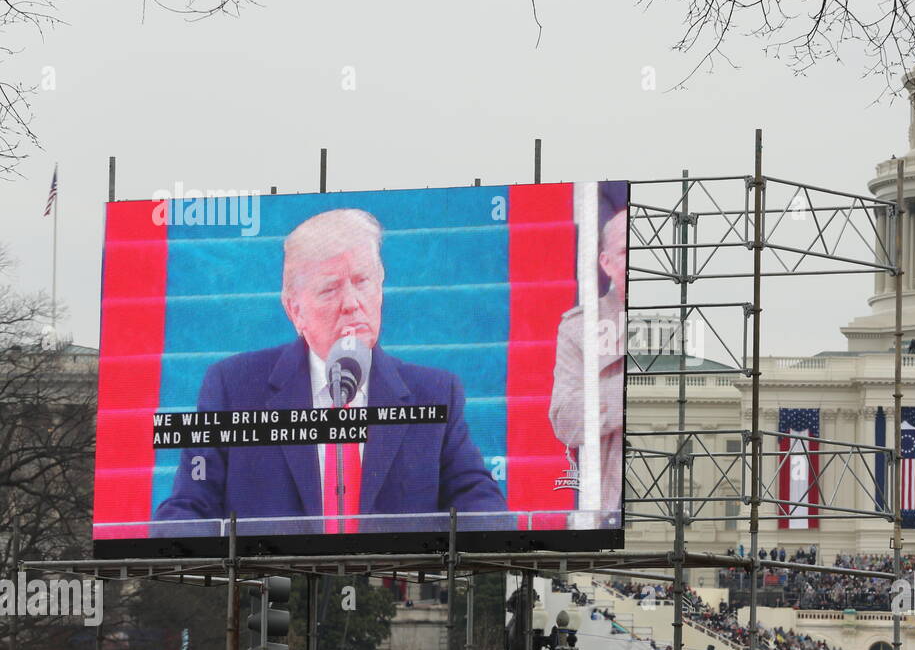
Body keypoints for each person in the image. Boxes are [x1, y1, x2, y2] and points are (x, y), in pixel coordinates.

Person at [152, 208, 506, 534]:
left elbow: (479, 503)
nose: (352, 303)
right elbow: (189, 507)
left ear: (381, 285)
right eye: (330, 289)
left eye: (362, 281)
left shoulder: (436, 392)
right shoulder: (233, 386)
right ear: (295, 310)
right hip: (273, 590)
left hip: (392, 588)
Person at [549, 182, 628, 521]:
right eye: (627, 253)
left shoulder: (681, 319)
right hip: (612, 511)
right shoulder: (579, 327)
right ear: (606, 263)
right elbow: (565, 420)